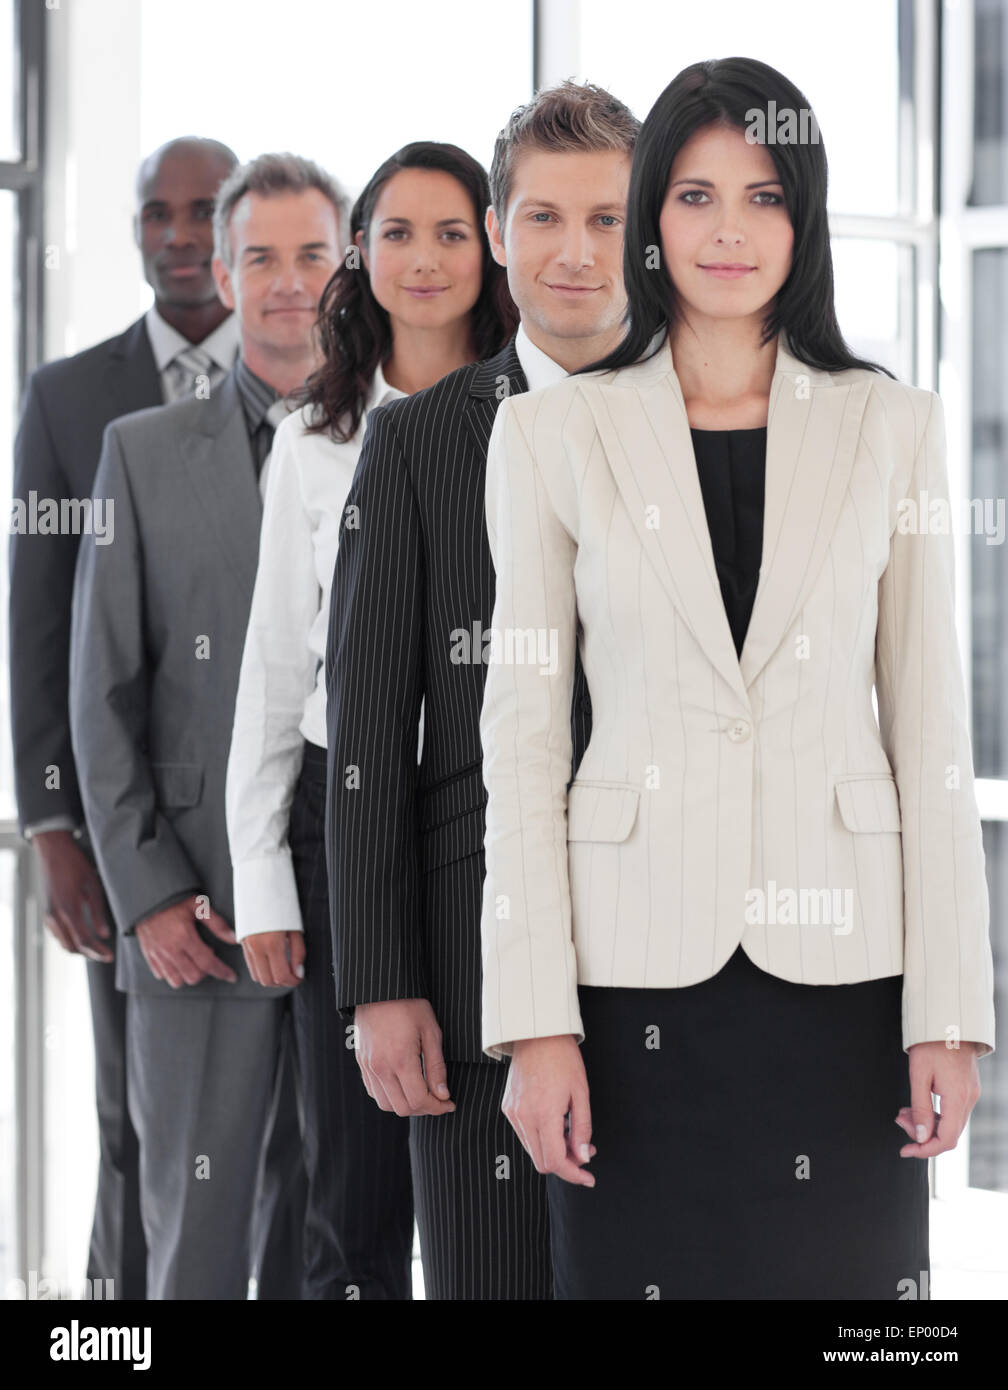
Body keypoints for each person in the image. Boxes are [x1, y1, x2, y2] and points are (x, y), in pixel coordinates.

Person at [479, 56, 996, 1300]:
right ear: (653, 216)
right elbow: (524, 745)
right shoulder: (554, 434)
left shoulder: (893, 425)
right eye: (696, 196)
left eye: (763, 196)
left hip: (848, 986)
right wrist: (535, 1023)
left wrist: (952, 1015)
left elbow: (932, 731)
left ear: (803, 219)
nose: (728, 230)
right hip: (631, 983)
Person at [324, 82, 639, 1299]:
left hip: (680, 938)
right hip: (464, 949)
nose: (574, 252)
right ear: (500, 233)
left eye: (607, 218)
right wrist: (382, 982)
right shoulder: (415, 441)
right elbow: (363, 737)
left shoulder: (710, 422)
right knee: (491, 1275)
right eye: (543, 217)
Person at [226, 140, 517, 1298]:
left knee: (485, 1160)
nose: (427, 259)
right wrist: (261, 876)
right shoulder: (313, 438)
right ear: (362, 253)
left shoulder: (533, 414)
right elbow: (268, 669)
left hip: (487, 825)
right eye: (398, 233)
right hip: (340, 827)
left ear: (489, 245)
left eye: (453, 232)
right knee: (348, 1188)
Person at [68, 153, 346, 1299]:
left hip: (353, 914)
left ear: (352, 271)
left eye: (314, 254)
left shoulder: (406, 440)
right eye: (263, 257)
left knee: (338, 1232)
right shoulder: (140, 454)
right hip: (198, 915)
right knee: (197, 1234)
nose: (290, 282)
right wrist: (145, 896)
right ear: (223, 278)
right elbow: (100, 694)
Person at [10, 136, 240, 1299]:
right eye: (157, 213)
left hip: (267, 822)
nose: (179, 234)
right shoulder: (68, 397)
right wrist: (54, 827)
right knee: (127, 1099)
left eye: (204, 211)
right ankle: (118, 1316)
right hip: (123, 824)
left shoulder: (317, 382)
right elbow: (40, 623)